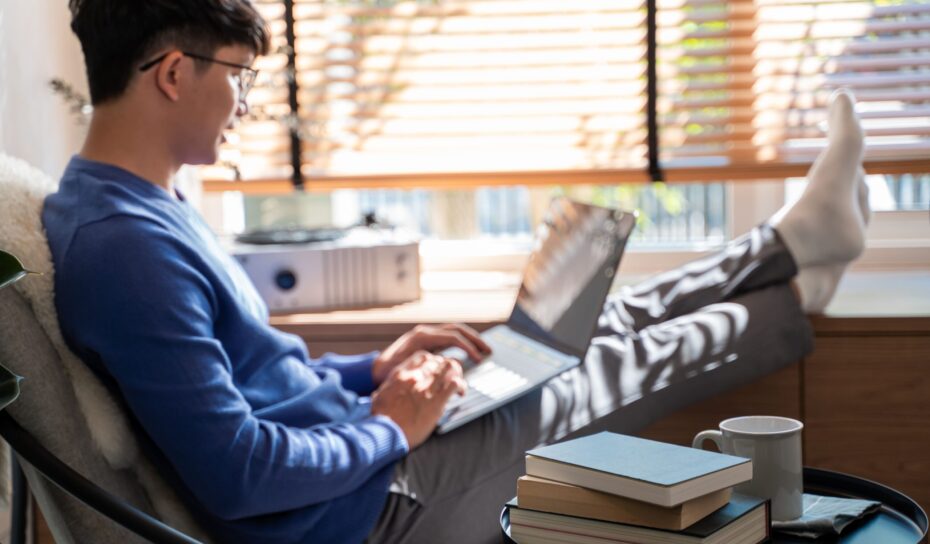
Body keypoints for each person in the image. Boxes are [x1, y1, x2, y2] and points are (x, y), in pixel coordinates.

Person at [43, 1, 870, 543]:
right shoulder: (125, 250)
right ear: (176, 75)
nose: (247, 104)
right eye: (239, 78)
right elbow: (238, 474)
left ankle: (792, 248)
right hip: (369, 507)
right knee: (599, 362)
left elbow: (252, 381)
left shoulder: (139, 204)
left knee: (574, 328)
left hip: (358, 448)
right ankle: (798, 282)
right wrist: (393, 428)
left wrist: (376, 367)